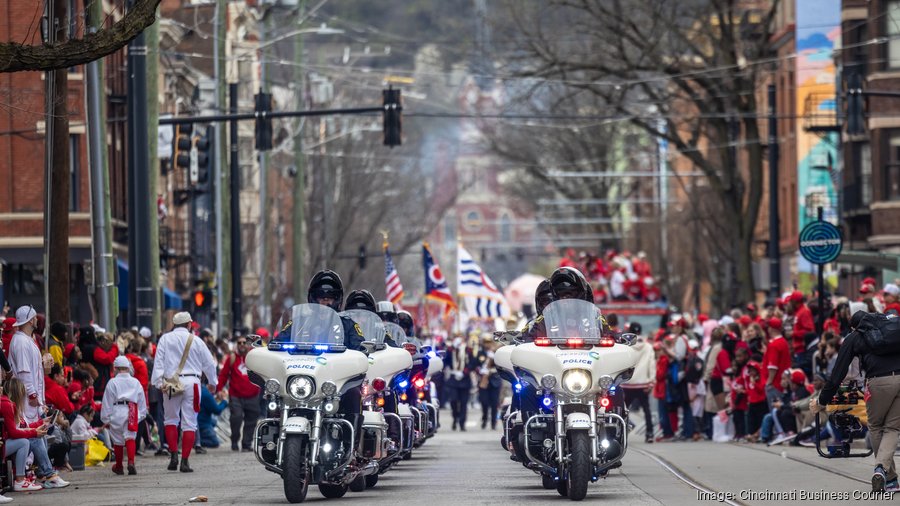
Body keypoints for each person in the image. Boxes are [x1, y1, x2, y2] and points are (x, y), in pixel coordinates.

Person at [811, 310, 900, 493]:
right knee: (893, 428)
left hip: (878, 382)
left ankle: (888, 476)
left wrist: (822, 401)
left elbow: (837, 375)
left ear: (854, 327)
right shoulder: (892, 327)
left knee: (876, 426)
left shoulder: (855, 337)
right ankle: (885, 473)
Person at [151, 311, 218, 473]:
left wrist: (158, 382)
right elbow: (209, 363)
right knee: (190, 422)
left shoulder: (165, 339)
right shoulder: (197, 341)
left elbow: (158, 362)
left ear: (174, 324)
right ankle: (185, 461)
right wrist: (212, 382)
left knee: (170, 420)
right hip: (192, 383)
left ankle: (174, 455)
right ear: (189, 324)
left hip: (171, 383)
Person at [2, 377, 69, 489]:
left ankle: (44, 474)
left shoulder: (14, 408)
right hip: (6, 445)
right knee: (31, 439)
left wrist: (41, 422)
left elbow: (24, 428)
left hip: (8, 443)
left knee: (37, 436)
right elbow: (14, 432)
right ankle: (46, 475)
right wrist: (33, 433)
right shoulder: (8, 406)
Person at [102, 356, 148, 475]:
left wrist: (106, 418)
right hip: (132, 409)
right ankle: (131, 462)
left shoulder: (112, 382)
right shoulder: (136, 382)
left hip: (117, 410)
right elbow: (142, 400)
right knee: (130, 436)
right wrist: (141, 414)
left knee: (118, 440)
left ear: (116, 368)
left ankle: (119, 466)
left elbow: (107, 401)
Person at [217, 334, 261, 452]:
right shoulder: (232, 358)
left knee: (251, 421)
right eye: (239, 343)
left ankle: (246, 444)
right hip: (236, 395)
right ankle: (234, 440)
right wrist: (219, 389)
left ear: (248, 344)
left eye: (244, 342)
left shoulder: (255, 357)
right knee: (236, 418)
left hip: (253, 395)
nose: (241, 345)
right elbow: (224, 375)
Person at [8, 305, 45, 424]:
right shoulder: (21, 341)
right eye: (35, 318)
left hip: (30, 402)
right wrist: (32, 395)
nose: (37, 320)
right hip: (26, 401)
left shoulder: (26, 339)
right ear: (30, 320)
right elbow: (23, 372)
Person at [622, 323, 656, 443]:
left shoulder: (626, 347)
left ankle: (621, 433)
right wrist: (651, 381)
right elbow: (652, 365)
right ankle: (650, 433)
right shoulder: (648, 346)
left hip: (627, 384)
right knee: (646, 410)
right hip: (643, 384)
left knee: (623, 411)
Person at [476, 338, 501, 430]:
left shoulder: (496, 353)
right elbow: (476, 365)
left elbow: (500, 367)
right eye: (486, 342)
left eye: (489, 342)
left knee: (494, 403)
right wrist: (480, 370)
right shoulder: (480, 353)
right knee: (484, 402)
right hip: (483, 381)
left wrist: (491, 370)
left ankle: (493, 422)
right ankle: (485, 418)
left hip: (495, 380)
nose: (487, 344)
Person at [198, 383, 228, 448]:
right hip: (203, 423)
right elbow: (217, 410)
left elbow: (210, 406)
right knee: (215, 443)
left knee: (214, 422)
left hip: (199, 420)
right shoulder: (207, 395)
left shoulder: (202, 390)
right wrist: (224, 401)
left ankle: (198, 438)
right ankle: (196, 442)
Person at [788, 291, 815, 355]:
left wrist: (793, 333)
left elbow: (809, 331)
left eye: (791, 301)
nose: (790, 303)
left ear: (795, 301)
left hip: (802, 349)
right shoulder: (799, 311)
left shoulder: (804, 311)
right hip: (797, 348)